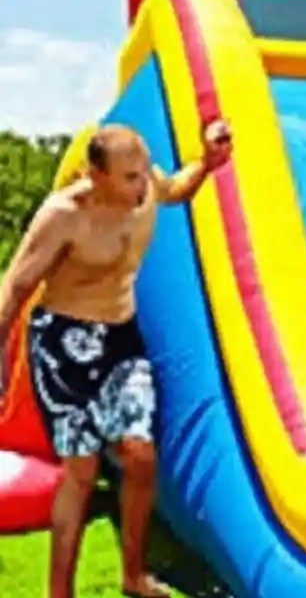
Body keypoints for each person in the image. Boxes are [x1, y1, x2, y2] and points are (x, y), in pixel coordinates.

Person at [0, 122, 232, 598]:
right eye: (129, 177)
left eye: (144, 172)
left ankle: (133, 575)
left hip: (119, 340)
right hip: (62, 346)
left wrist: (208, 163)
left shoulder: (146, 189)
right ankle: (59, 592)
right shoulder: (64, 215)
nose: (142, 185)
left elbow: (178, 187)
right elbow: (17, 285)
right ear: (95, 175)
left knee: (141, 456)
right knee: (81, 473)